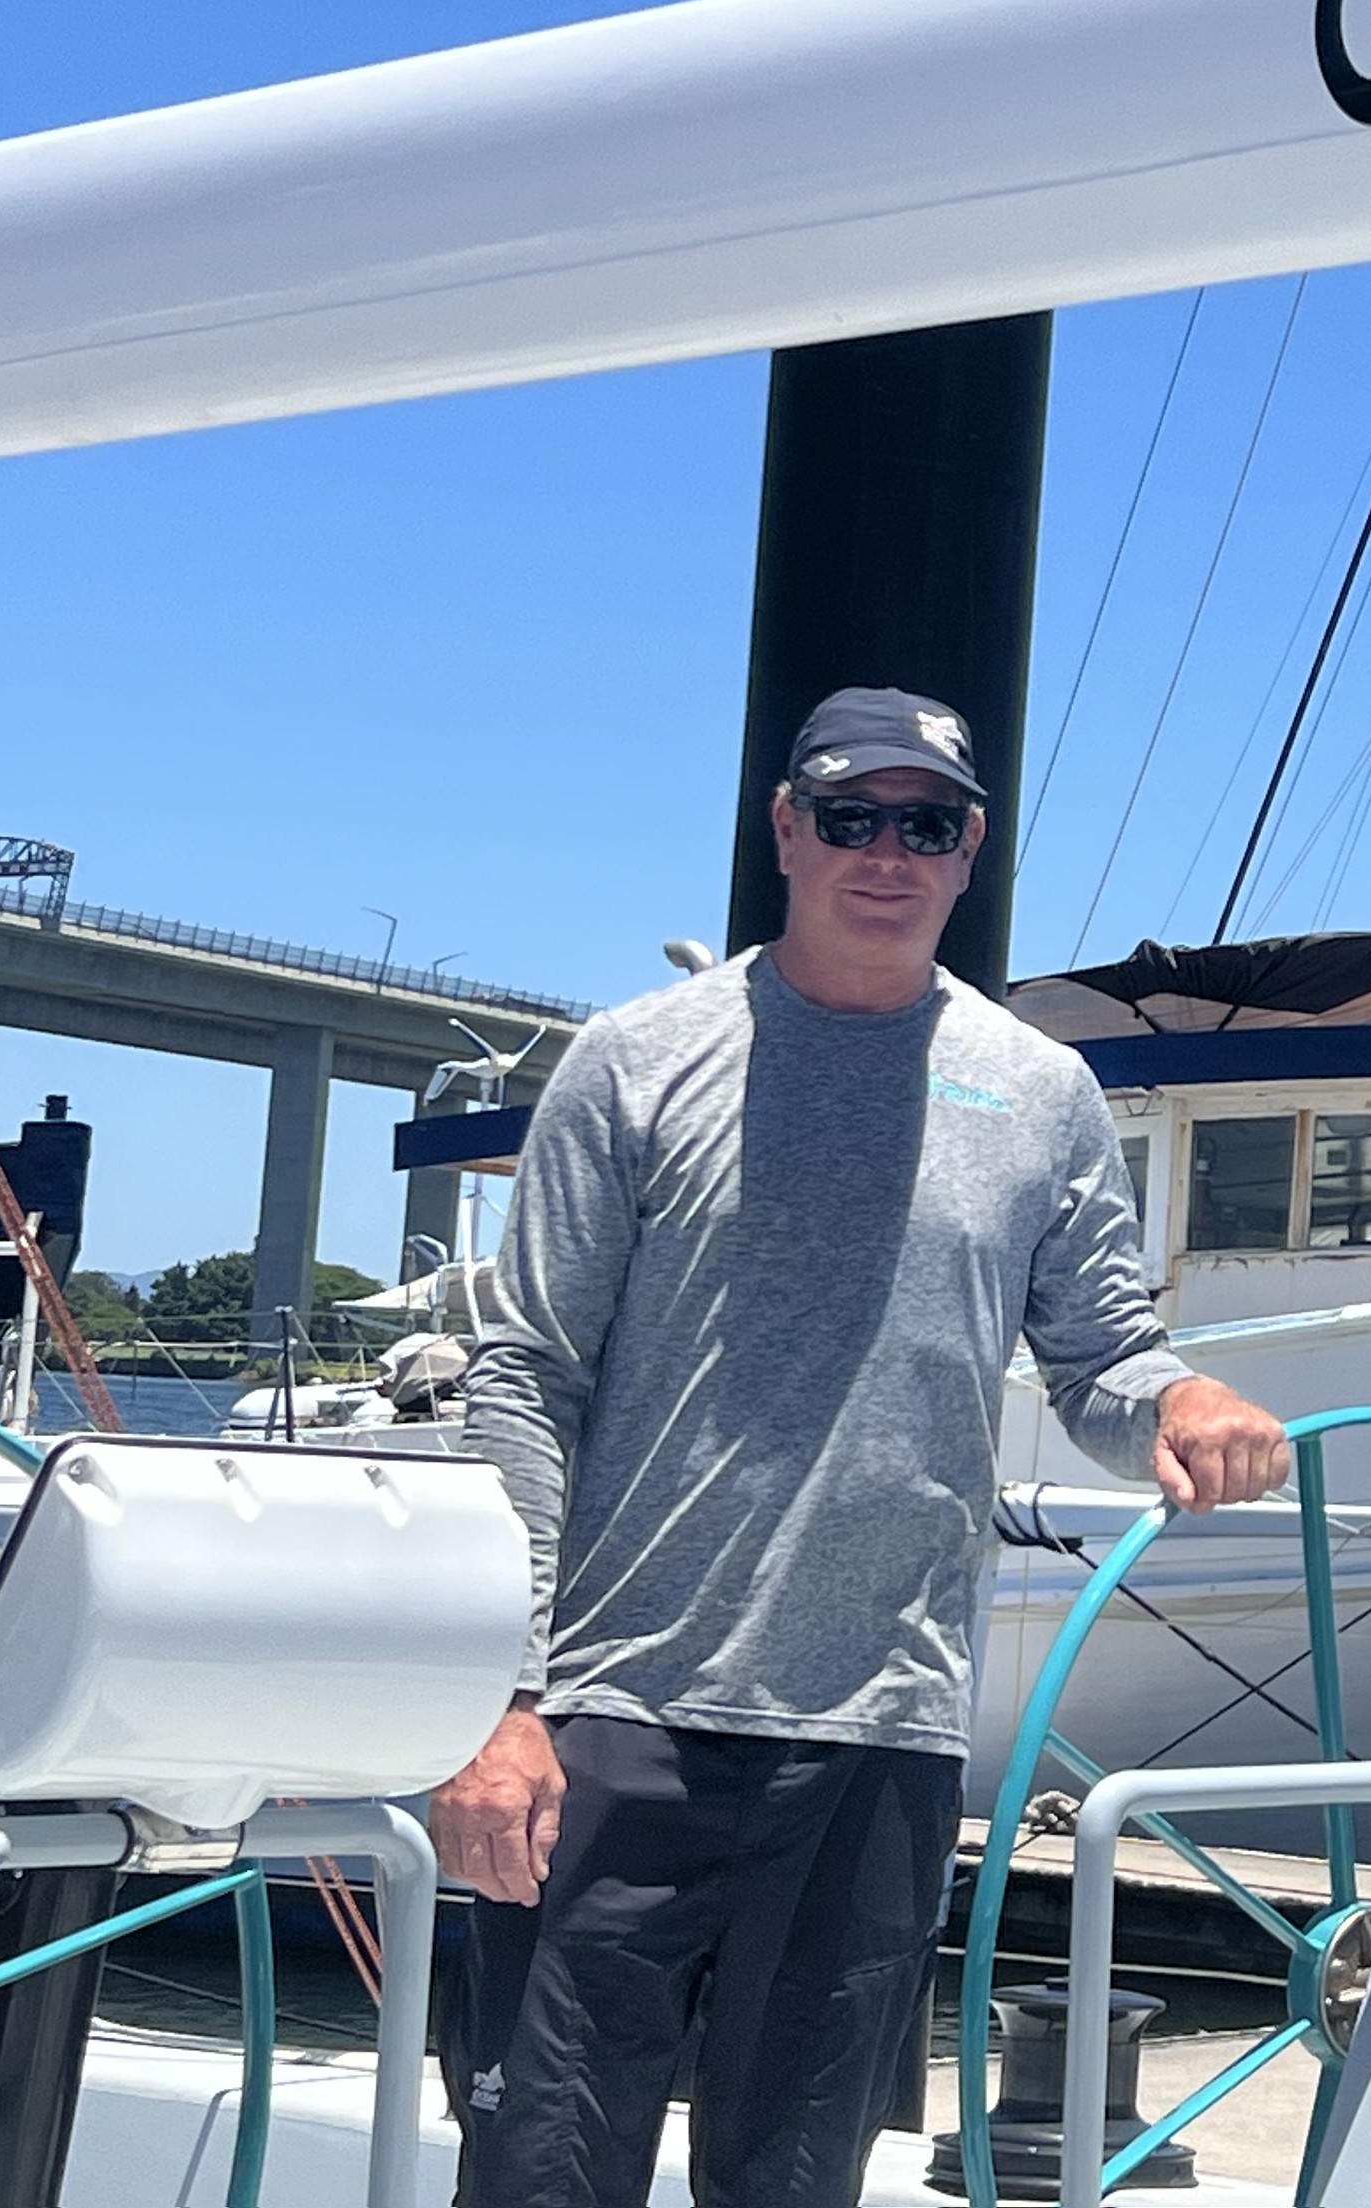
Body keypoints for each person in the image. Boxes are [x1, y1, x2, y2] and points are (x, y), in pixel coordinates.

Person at [440, 686, 1287, 2208]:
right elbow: (526, 1374)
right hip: (615, 1723)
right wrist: (500, 1700)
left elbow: (1098, 1358)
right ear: (786, 831)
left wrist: (1180, 1405)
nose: (887, 851)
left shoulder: (1042, 1093)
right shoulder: (633, 1061)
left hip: (881, 1737)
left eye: (928, 823)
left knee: (796, 2186)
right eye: (850, 816)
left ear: (969, 854)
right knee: (538, 2178)